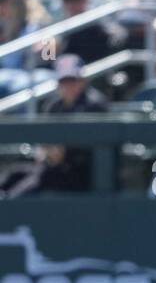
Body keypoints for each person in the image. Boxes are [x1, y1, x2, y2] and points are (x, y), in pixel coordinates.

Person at [0, 56, 109, 198]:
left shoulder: (95, 104)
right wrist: (47, 152)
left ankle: (9, 209)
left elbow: (94, 146)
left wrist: (64, 153)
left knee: (34, 183)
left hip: (82, 171)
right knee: (14, 173)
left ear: (83, 81)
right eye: (64, 81)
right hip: (53, 165)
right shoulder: (54, 105)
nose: (68, 86)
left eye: (73, 80)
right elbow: (45, 143)